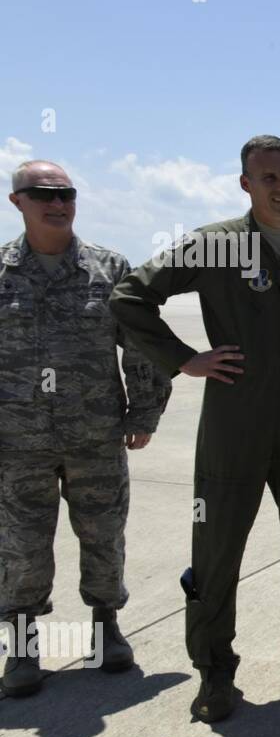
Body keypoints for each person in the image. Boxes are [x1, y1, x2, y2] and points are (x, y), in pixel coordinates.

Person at [110, 135, 280, 723]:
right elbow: (128, 299)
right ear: (245, 183)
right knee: (216, 552)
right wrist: (183, 358)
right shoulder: (215, 246)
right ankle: (215, 673)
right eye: (268, 177)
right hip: (232, 427)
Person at [0, 160, 171, 696]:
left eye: (66, 193)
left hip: (95, 433)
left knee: (103, 534)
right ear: (17, 202)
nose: (57, 202)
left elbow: (142, 342)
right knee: (21, 544)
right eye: (43, 193)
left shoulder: (107, 267)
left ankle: (107, 627)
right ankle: (23, 646)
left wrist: (144, 412)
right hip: (17, 440)